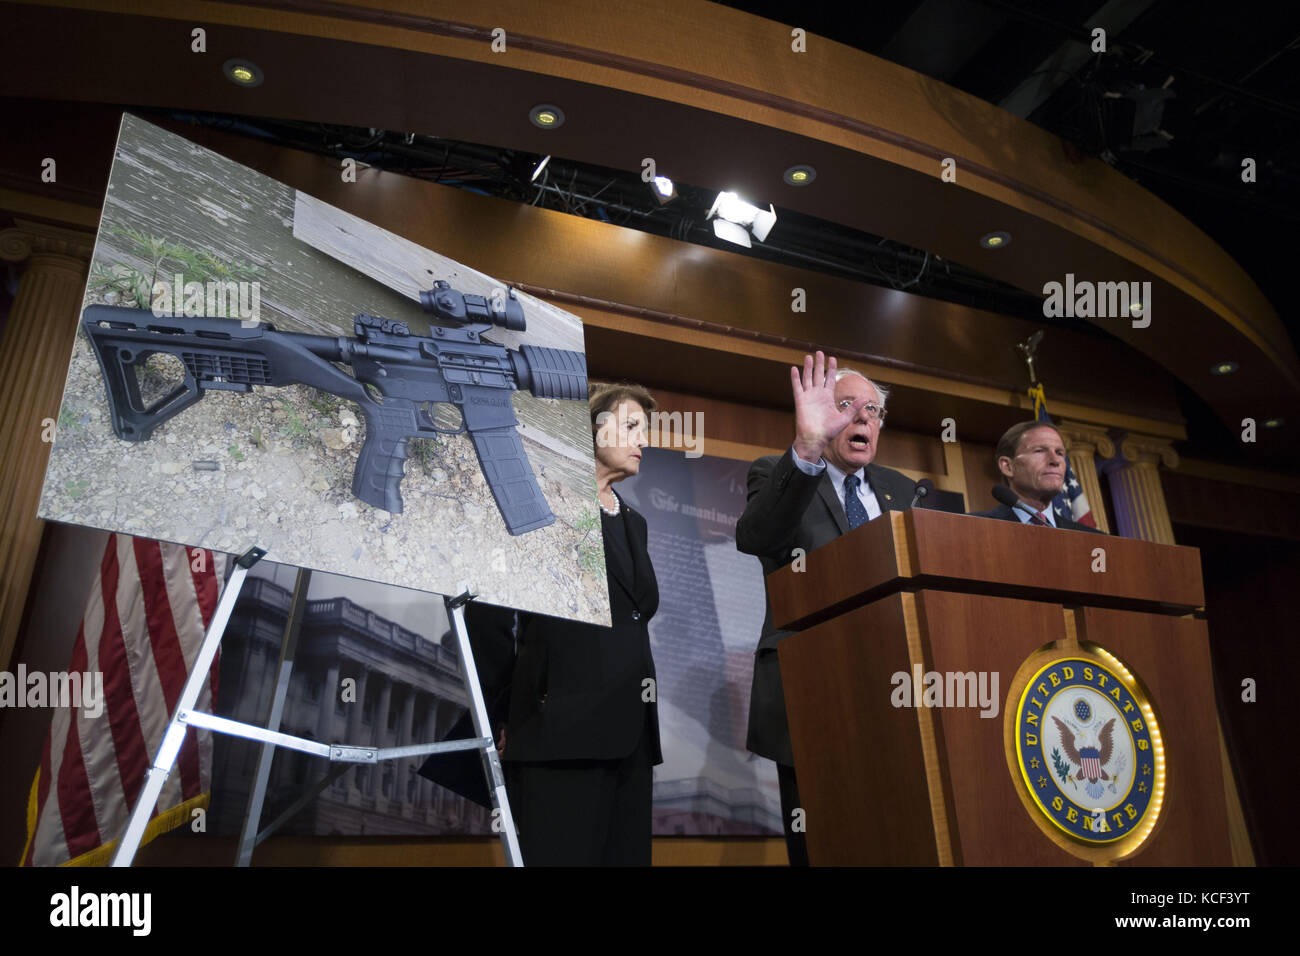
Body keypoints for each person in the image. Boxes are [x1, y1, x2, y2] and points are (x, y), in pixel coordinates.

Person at [458, 382, 662, 866]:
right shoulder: (541, 500)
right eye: (632, 426)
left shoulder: (635, 522)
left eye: (645, 431)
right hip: (559, 731)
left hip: (630, 737)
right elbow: (487, 613)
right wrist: (504, 712)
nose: (643, 441)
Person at [735, 351, 915, 866]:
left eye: (872, 412)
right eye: (847, 406)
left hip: (898, 689)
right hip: (813, 692)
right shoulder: (780, 473)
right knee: (826, 845)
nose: (862, 417)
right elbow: (756, 537)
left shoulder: (903, 491)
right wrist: (808, 446)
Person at [972, 421, 1105, 533]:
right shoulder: (974, 529)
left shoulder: (1092, 539)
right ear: (1008, 466)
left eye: (1059, 453)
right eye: (1039, 451)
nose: (1055, 460)